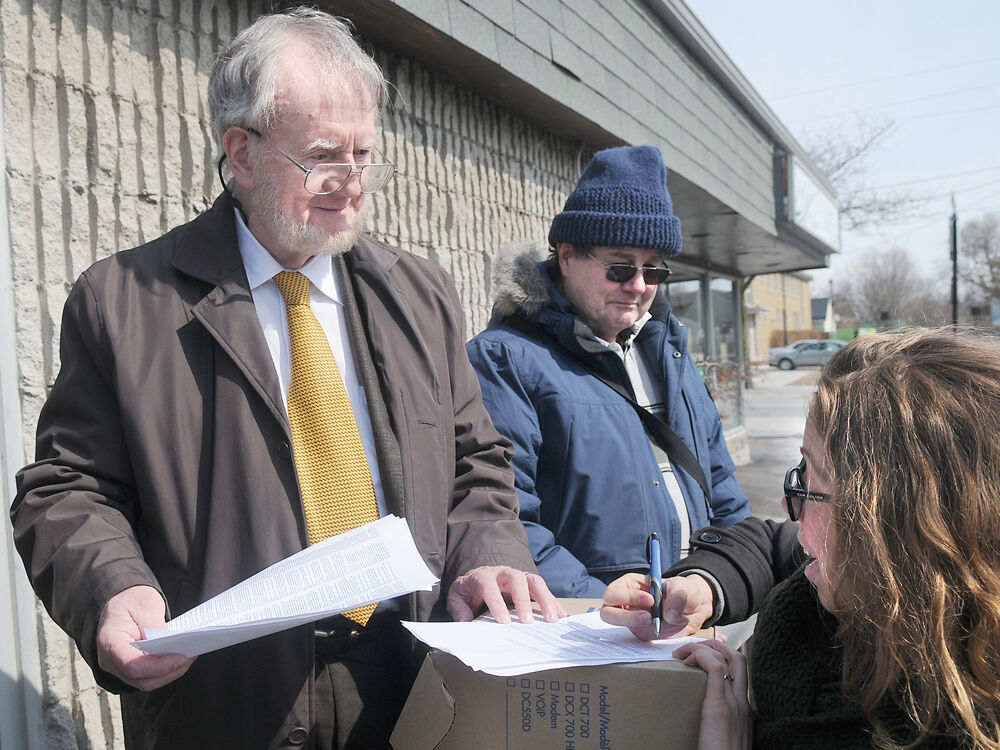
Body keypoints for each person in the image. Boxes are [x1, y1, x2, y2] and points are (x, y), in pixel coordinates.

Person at [10, 9, 562, 749]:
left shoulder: (419, 294)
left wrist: (489, 552)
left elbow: (475, 463)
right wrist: (114, 586)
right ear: (240, 152)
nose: (353, 184)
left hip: (415, 686)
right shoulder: (125, 301)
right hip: (229, 701)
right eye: (325, 156)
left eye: (366, 154)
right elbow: (67, 489)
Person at [603, 327, 1000, 749]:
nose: (788, 502)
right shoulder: (874, 585)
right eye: (799, 474)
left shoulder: (939, 729)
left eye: (808, 483)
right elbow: (774, 544)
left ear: (883, 526)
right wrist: (702, 585)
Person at [465, 144, 750, 598]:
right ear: (565, 255)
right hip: (591, 636)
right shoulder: (503, 360)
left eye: (653, 271)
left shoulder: (670, 352)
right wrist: (601, 610)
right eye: (619, 267)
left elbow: (721, 487)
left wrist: (730, 584)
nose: (637, 286)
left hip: (692, 616)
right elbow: (506, 517)